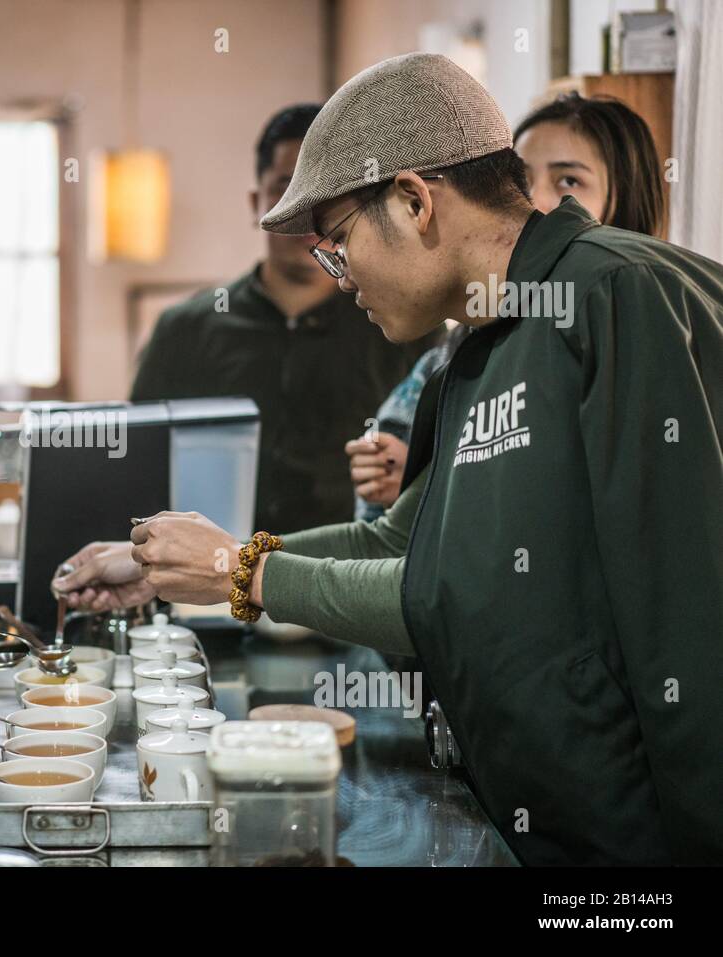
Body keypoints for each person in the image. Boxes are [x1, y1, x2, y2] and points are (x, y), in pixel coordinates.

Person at [57, 53, 723, 865]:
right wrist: (182, 564)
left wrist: (244, 571)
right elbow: (396, 546)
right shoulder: (476, 347)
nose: (338, 278)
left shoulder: (617, 298)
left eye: (339, 244)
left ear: (413, 201)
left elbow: (681, 626)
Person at [345, 91, 667, 519]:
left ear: (626, 197)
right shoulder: (464, 340)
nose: (536, 200)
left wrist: (440, 480)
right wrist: (401, 469)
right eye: (521, 180)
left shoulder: (635, 318)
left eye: (569, 181)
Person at [130, 104, 438, 534]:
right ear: (255, 202)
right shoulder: (185, 328)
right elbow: (138, 463)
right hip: (208, 581)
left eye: (325, 191)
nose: (306, 210)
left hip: (350, 574)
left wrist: (408, 471)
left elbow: (446, 467)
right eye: (285, 187)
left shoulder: (406, 324)